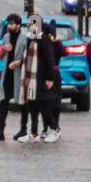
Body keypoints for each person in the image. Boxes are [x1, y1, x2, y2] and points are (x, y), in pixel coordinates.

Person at [10, 14, 57, 143]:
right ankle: (34, 133)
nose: (29, 27)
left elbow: (49, 59)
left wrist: (49, 78)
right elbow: (27, 57)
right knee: (33, 106)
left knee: (43, 105)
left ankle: (55, 128)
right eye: (28, 25)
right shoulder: (31, 39)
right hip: (30, 78)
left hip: (40, 78)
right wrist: (19, 63)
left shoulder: (43, 38)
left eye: (31, 25)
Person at [0, 13, 23, 141]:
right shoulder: (6, 36)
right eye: (8, 23)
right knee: (3, 102)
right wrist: (4, 48)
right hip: (7, 75)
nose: (9, 26)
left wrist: (19, 62)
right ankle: (0, 129)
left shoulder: (24, 38)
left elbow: (28, 57)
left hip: (19, 75)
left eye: (12, 24)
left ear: (18, 25)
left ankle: (23, 129)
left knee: (22, 103)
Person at [38, 20, 62, 142]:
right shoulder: (41, 42)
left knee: (54, 103)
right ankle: (46, 127)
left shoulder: (53, 43)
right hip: (43, 74)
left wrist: (56, 43)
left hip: (54, 75)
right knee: (44, 103)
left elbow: (63, 53)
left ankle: (55, 127)